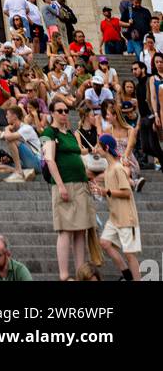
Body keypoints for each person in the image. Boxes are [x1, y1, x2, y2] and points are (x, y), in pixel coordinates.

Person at [42, 94, 95, 281]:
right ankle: (64, 275)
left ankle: (82, 273)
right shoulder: (49, 133)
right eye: (60, 111)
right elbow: (49, 159)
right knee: (65, 230)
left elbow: (78, 156)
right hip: (65, 184)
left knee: (81, 229)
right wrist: (60, 185)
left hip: (80, 184)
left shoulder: (71, 133)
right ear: (52, 113)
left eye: (66, 110)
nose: (64, 114)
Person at [95, 133, 142, 280]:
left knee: (129, 255)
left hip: (127, 218)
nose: (96, 148)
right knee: (104, 242)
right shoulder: (108, 169)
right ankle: (127, 275)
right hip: (114, 218)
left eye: (98, 145)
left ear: (106, 147)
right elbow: (111, 192)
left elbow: (127, 192)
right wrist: (100, 192)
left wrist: (106, 191)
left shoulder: (117, 168)